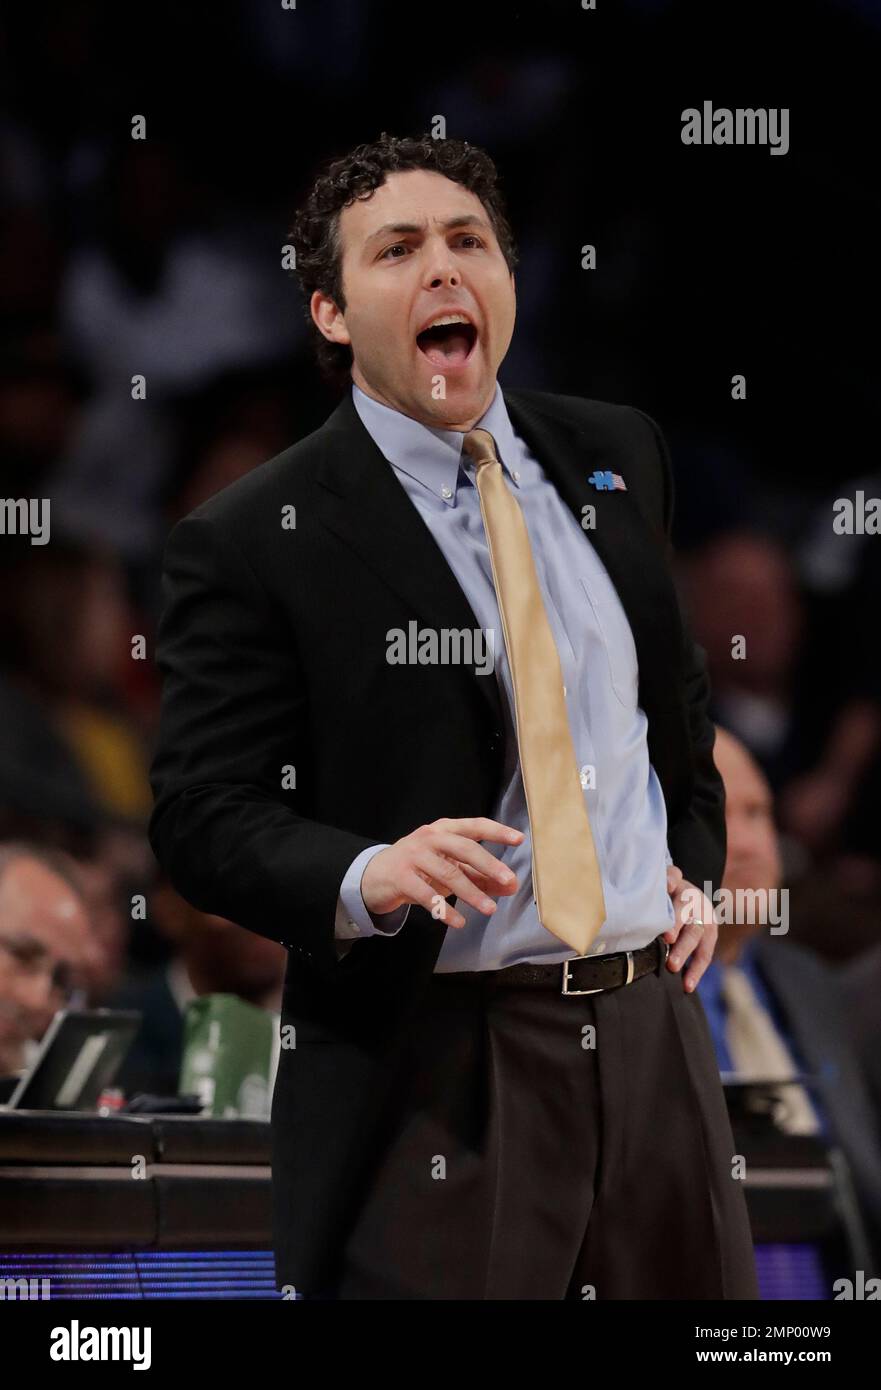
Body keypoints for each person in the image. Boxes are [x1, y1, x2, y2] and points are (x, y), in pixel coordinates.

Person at [149, 133, 758, 1300]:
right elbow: (199, 815)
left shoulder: (614, 450)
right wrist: (367, 872)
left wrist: (688, 867)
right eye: (398, 251)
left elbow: (671, 702)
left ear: (507, 284)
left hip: (653, 1040)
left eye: (468, 242)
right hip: (444, 1054)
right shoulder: (252, 537)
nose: (443, 269)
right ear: (330, 312)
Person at [699, 727, 881, 1271]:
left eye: (759, 814)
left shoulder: (810, 985)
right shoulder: (629, 1003)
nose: (752, 844)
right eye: (718, 814)